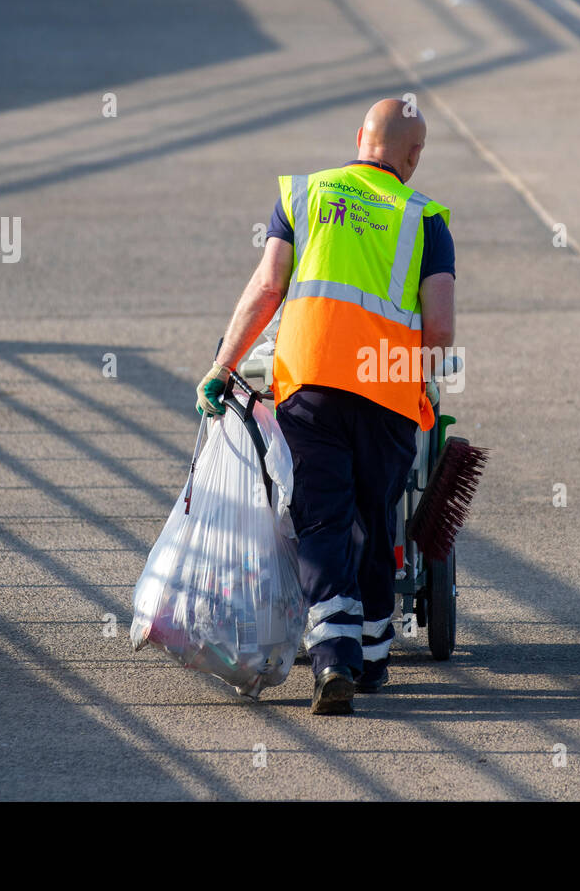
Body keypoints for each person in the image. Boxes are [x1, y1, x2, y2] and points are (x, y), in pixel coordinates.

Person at [196, 98, 456, 715]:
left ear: (359, 137)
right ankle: (369, 658)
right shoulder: (426, 219)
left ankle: (334, 657)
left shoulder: (303, 194)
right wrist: (416, 377)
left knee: (321, 518)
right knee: (374, 518)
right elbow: (441, 329)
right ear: (413, 157)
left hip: (309, 381)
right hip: (387, 395)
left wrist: (224, 365)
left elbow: (267, 288)